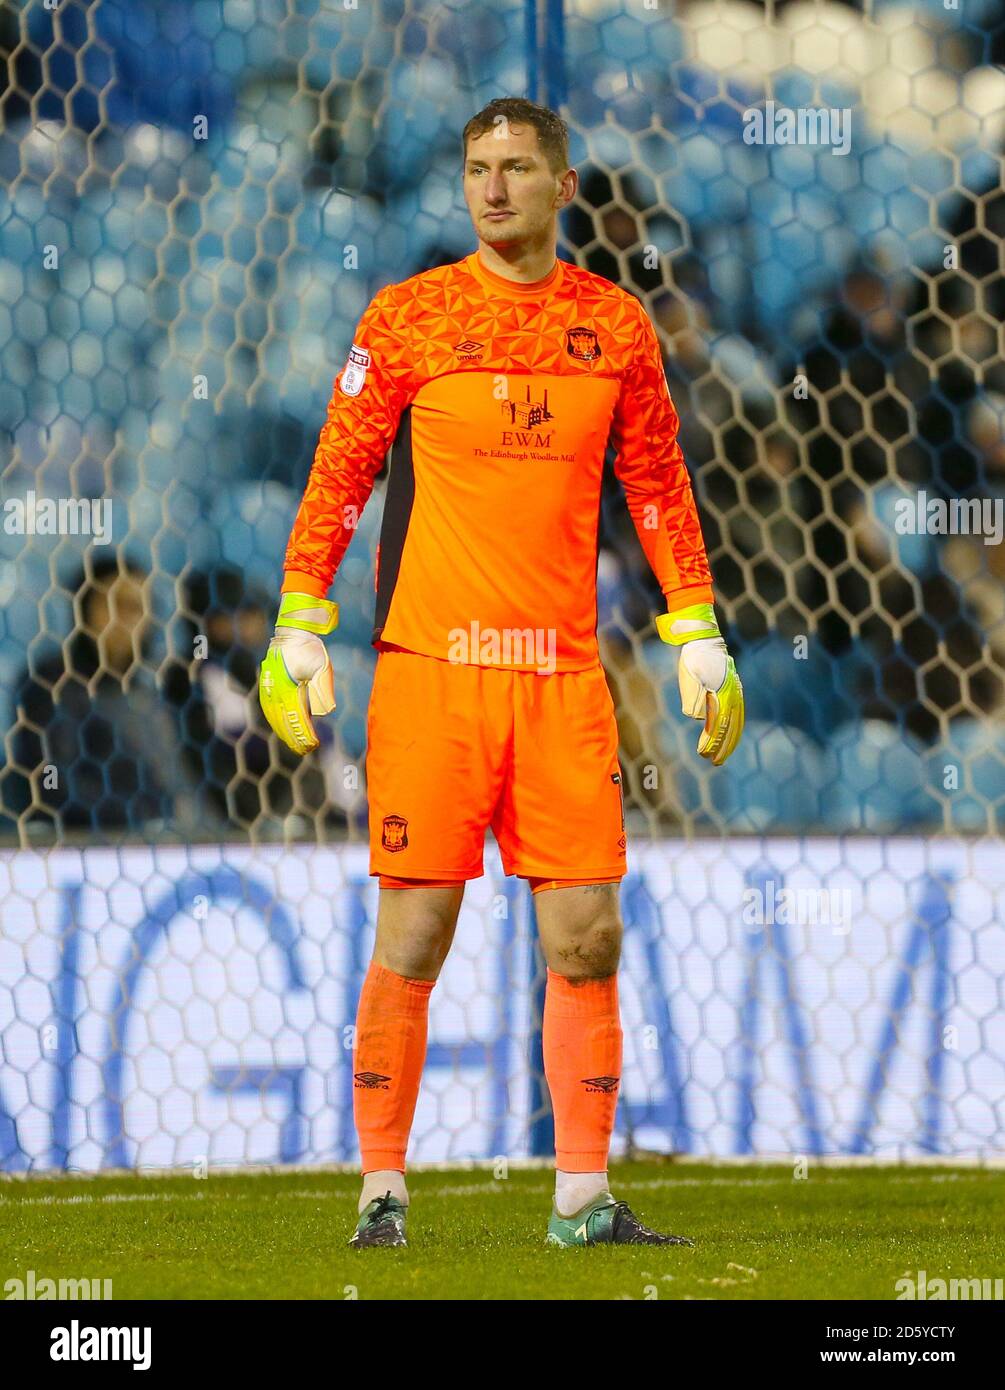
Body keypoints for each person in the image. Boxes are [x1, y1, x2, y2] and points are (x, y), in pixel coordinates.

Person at [258, 97, 744, 1249]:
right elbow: (338, 475)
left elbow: (662, 487)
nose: (492, 188)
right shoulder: (410, 318)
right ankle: (381, 1192)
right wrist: (296, 621)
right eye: (477, 167)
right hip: (432, 676)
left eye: (518, 168)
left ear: (562, 187)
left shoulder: (616, 329)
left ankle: (581, 1199)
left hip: (563, 680)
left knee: (587, 938)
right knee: (415, 936)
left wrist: (697, 631)